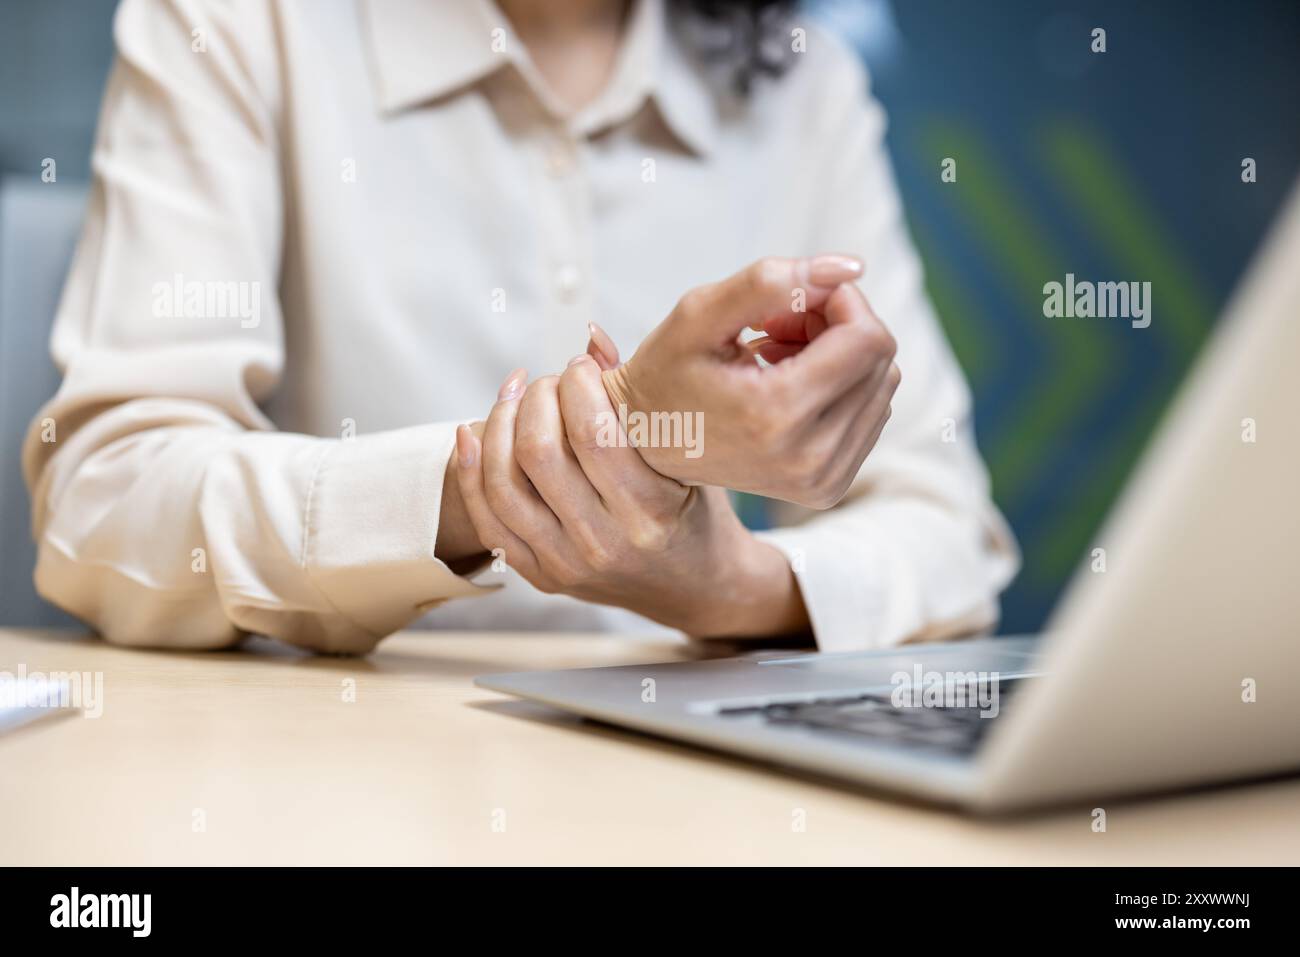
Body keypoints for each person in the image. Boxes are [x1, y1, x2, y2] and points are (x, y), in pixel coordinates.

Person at [22, 0, 1018, 654]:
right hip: (331, 776)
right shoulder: (238, 24)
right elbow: (105, 499)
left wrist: (725, 589)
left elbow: (949, 536)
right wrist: (490, 486)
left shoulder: (806, 87)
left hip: (702, 795)